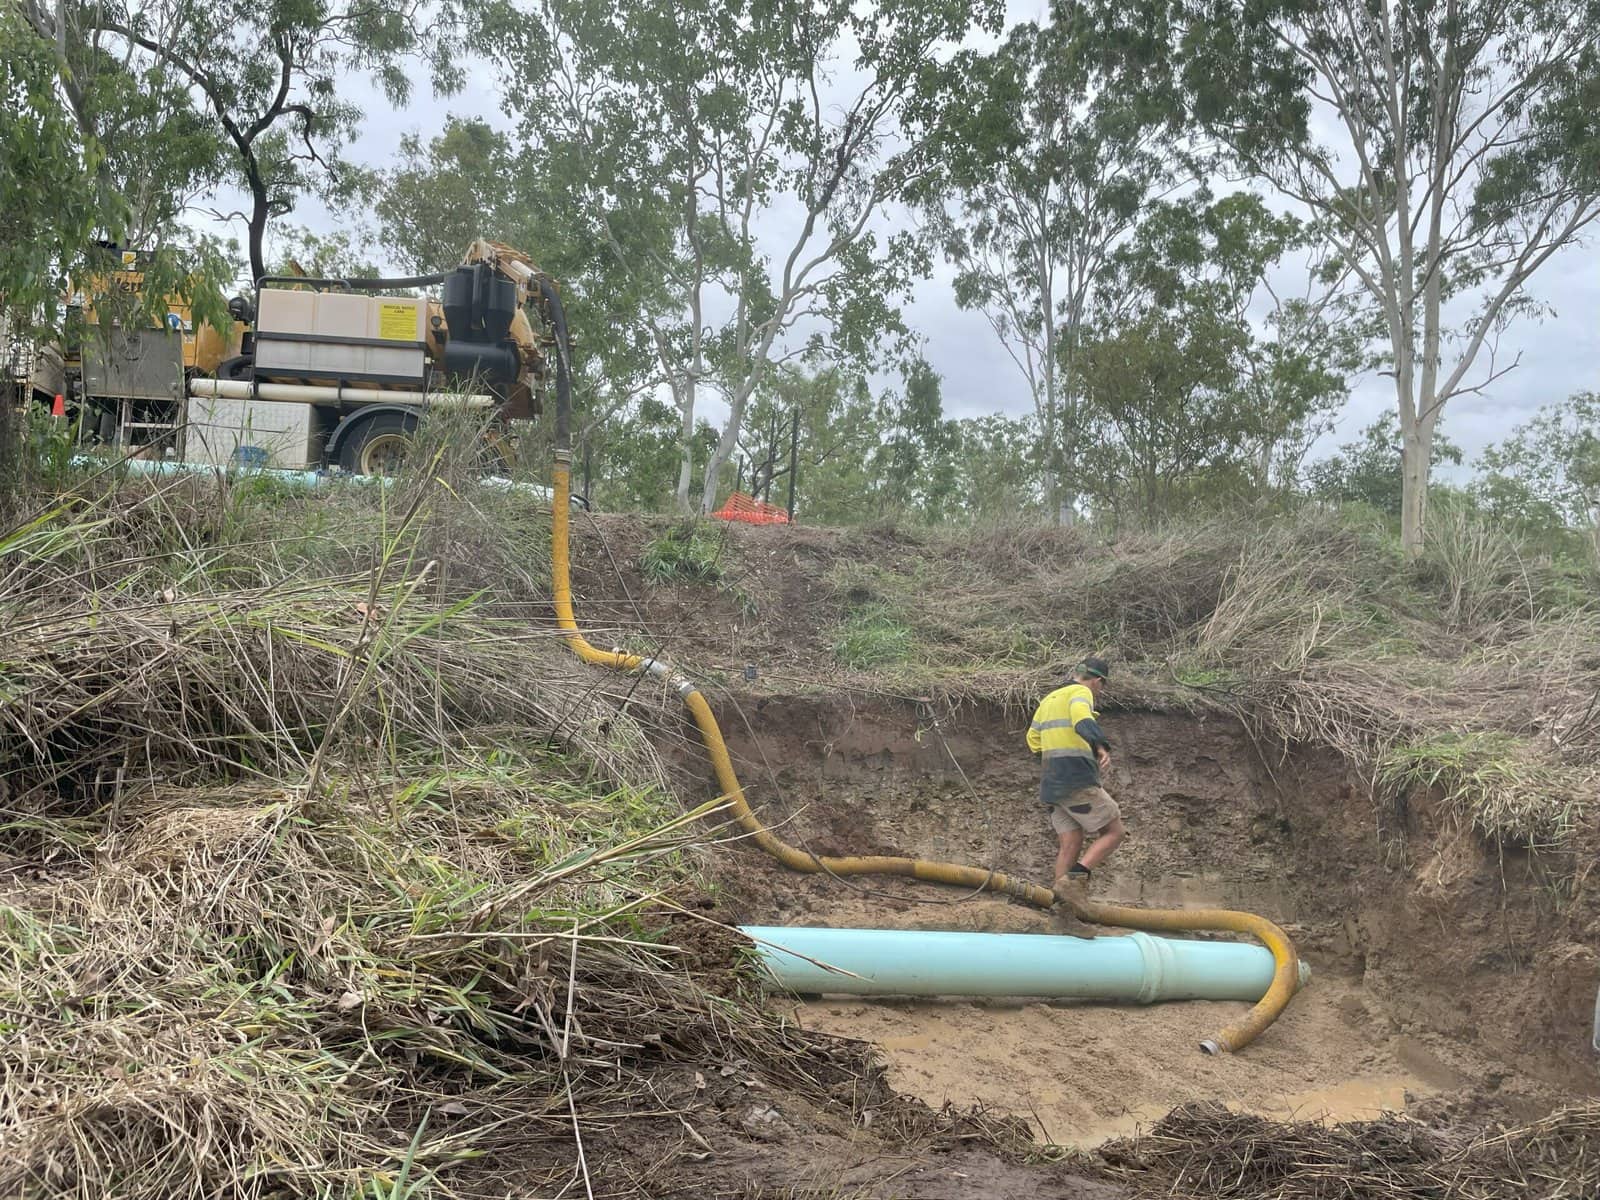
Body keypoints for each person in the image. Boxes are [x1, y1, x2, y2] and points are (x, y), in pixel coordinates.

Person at [1027, 657, 1125, 914]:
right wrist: (1100, 745)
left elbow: (1032, 738)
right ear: (1097, 681)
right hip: (1075, 778)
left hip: (1051, 781)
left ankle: (1059, 907)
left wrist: (1051, 758)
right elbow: (1082, 718)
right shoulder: (1081, 692)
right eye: (1101, 687)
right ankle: (1075, 881)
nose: (1099, 691)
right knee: (1114, 831)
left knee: (1070, 841)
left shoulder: (1049, 699)